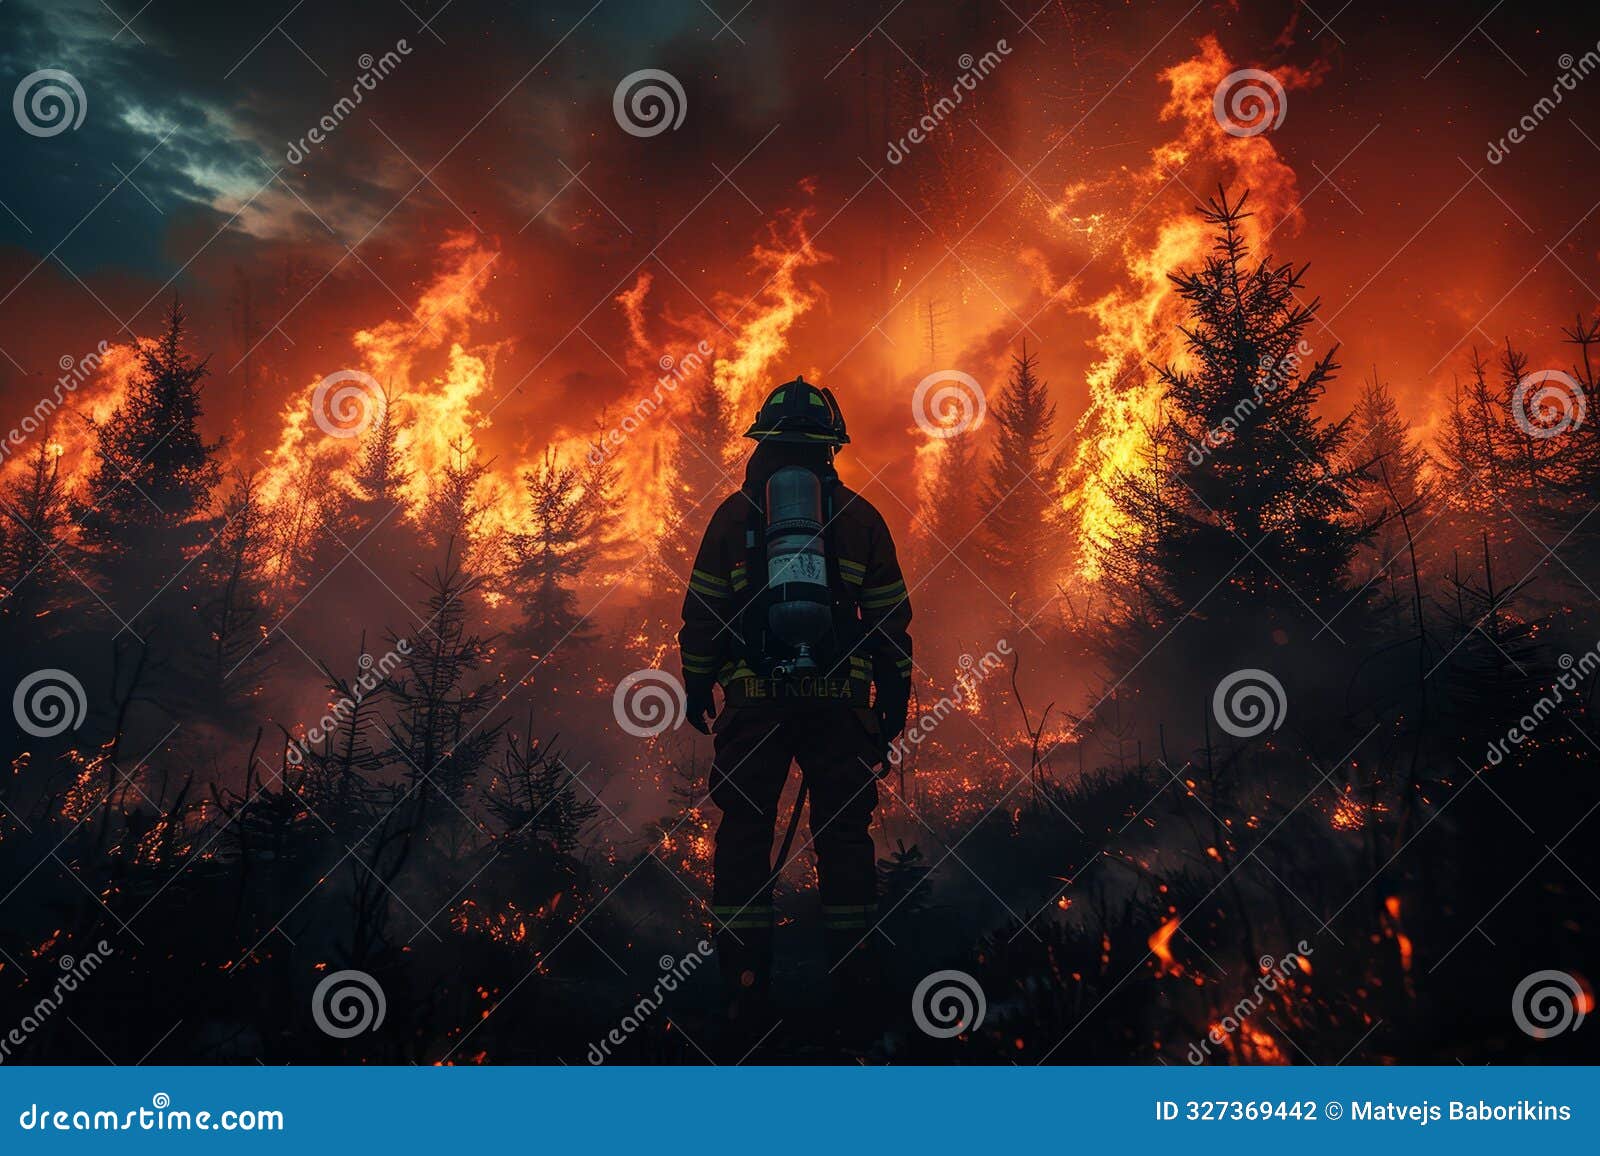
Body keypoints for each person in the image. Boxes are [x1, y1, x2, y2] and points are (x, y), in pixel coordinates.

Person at [677, 375, 912, 1032]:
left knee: (744, 839)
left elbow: (703, 613)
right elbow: (890, 622)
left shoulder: (732, 518)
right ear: (830, 446)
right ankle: (856, 993)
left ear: (764, 444)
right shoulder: (862, 519)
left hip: (755, 707)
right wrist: (892, 702)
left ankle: (745, 994)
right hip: (840, 709)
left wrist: (698, 684)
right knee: (844, 841)